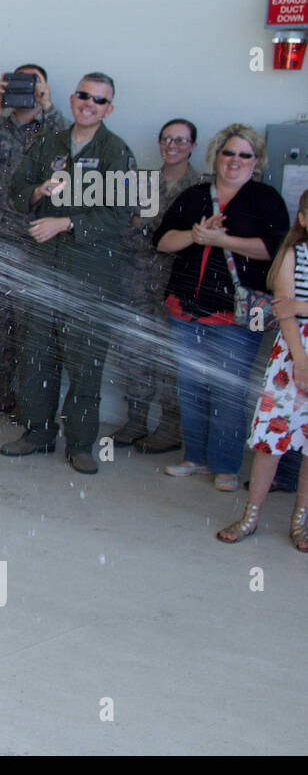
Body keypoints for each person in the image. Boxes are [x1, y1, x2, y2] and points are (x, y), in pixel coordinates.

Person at [0, 73, 135, 475]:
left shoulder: (116, 151)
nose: (89, 103)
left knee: (85, 361)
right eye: (83, 95)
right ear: (73, 98)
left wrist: (65, 223)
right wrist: (38, 192)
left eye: (99, 99)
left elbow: (121, 213)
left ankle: (79, 444)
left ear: (108, 108)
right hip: (44, 268)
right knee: (36, 354)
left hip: (89, 275)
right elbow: (16, 189)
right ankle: (37, 433)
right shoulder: (49, 143)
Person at [154, 123, 288, 491]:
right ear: (217, 155)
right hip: (184, 309)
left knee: (228, 393)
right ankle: (194, 458)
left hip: (237, 317)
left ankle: (226, 467)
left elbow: (276, 250)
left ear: (256, 160)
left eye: (244, 155)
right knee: (190, 388)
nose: (235, 161)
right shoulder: (195, 196)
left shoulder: (266, 199)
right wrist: (196, 236)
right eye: (229, 153)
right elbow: (162, 241)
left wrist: (221, 239)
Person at [0, 64, 66, 419]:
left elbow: (68, 150)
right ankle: (1, 390)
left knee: (31, 326)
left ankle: (30, 400)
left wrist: (47, 104)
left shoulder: (53, 127)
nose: (22, 89)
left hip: (33, 239)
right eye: (16, 83)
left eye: (31, 83)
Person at [220, 190, 308, 549]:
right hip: (293, 355)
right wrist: (300, 362)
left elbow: (293, 304)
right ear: (303, 218)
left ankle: (301, 521)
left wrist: (300, 304)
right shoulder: (294, 253)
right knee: (270, 443)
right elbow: (283, 310)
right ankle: (251, 515)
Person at [110, 118, 203, 452]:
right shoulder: (141, 183)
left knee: (171, 359)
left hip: (175, 288)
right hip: (134, 283)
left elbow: (195, 243)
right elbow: (122, 229)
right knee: (133, 352)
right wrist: (154, 233)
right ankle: (135, 420)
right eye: (167, 139)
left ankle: (170, 427)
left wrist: (146, 228)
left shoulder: (200, 188)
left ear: (193, 145)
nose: (173, 146)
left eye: (181, 140)